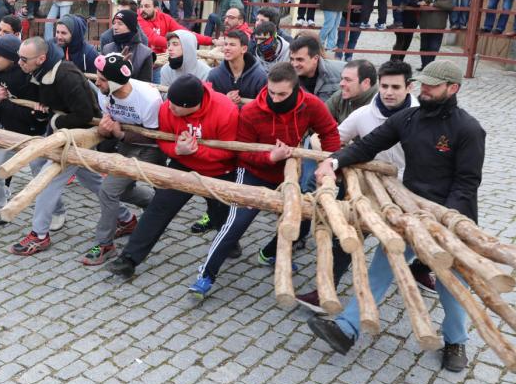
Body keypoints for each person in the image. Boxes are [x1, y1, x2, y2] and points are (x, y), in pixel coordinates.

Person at [308, 61, 484, 373]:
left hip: (451, 217)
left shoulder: (468, 129)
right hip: (407, 210)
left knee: (451, 285)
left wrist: (443, 220)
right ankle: (347, 328)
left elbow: (467, 183)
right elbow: (367, 145)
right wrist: (333, 163)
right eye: (424, 84)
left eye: (433, 86)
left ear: (452, 88)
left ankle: (456, 341)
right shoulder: (409, 118)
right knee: (382, 268)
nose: (425, 90)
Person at [192, 62, 340, 297]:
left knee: (304, 217)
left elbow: (329, 132)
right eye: (272, 92)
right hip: (253, 171)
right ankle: (206, 274)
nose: (276, 99)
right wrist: (271, 157)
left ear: (296, 89)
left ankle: (269, 253)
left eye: (282, 94)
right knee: (236, 222)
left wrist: (329, 162)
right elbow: (242, 152)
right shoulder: (251, 111)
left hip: (289, 172)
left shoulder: (311, 104)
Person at [294, 60, 419, 311]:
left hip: (409, 190)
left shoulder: (420, 117)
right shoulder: (364, 114)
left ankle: (422, 270)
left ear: (409, 87)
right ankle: (325, 293)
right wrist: (330, 160)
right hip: (368, 187)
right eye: (384, 86)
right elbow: (335, 138)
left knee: (416, 237)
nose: (389, 92)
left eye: (396, 87)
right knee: (347, 235)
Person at [108, 75, 239, 278]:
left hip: (219, 170)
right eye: (170, 102)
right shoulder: (167, 108)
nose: (170, 108)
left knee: (220, 212)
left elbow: (230, 151)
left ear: (191, 106)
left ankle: (229, 242)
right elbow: (162, 139)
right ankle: (129, 259)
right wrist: (178, 150)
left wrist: (195, 151)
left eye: (176, 107)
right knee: (159, 207)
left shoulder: (225, 110)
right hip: (183, 165)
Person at [9, 37, 103, 256]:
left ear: (41, 58)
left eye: (24, 59)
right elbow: (50, 106)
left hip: (79, 135)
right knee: (91, 180)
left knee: (48, 180)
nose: (19, 62)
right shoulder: (37, 72)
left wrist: (54, 120)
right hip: (62, 133)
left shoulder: (66, 75)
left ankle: (39, 235)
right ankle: (125, 218)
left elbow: (84, 114)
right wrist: (43, 114)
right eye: (19, 57)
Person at [81, 53, 164, 266]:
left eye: (101, 79)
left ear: (116, 83)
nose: (96, 82)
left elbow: (154, 135)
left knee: (108, 190)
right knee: (121, 190)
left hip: (149, 148)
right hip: (126, 143)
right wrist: (105, 130)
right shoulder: (105, 93)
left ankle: (105, 245)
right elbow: (109, 125)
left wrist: (120, 134)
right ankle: (153, 203)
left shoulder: (148, 98)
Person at [0, 33, 46, 228]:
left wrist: (4, 103)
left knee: (42, 180)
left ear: (12, 58)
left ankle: (57, 212)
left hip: (34, 137)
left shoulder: (29, 76)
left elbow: (34, 116)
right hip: (8, 135)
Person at [206, 30, 266, 107]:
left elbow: (266, 104)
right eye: (225, 44)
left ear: (244, 49)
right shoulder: (214, 75)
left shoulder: (260, 76)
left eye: (232, 45)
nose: (227, 48)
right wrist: (225, 99)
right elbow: (208, 102)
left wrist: (241, 100)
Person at [138, 0, 208, 54]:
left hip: (161, 57)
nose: (142, 9)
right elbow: (154, 39)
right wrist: (178, 44)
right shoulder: (138, 18)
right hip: (144, 59)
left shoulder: (165, 18)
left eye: (147, 6)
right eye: (141, 6)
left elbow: (184, 33)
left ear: (156, 9)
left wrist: (211, 41)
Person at [288, 33, 342, 104]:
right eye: (292, 59)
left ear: (315, 58)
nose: (294, 64)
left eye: (300, 59)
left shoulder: (340, 72)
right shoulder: (287, 77)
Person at [103, 8, 153, 81]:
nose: (115, 27)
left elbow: (145, 83)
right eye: (114, 23)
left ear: (131, 27)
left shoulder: (145, 53)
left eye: (120, 24)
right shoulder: (107, 49)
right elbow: (102, 76)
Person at [324, 59, 376, 123]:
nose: (341, 83)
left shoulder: (380, 103)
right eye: (342, 79)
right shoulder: (339, 97)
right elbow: (319, 117)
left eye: (348, 80)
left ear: (366, 83)